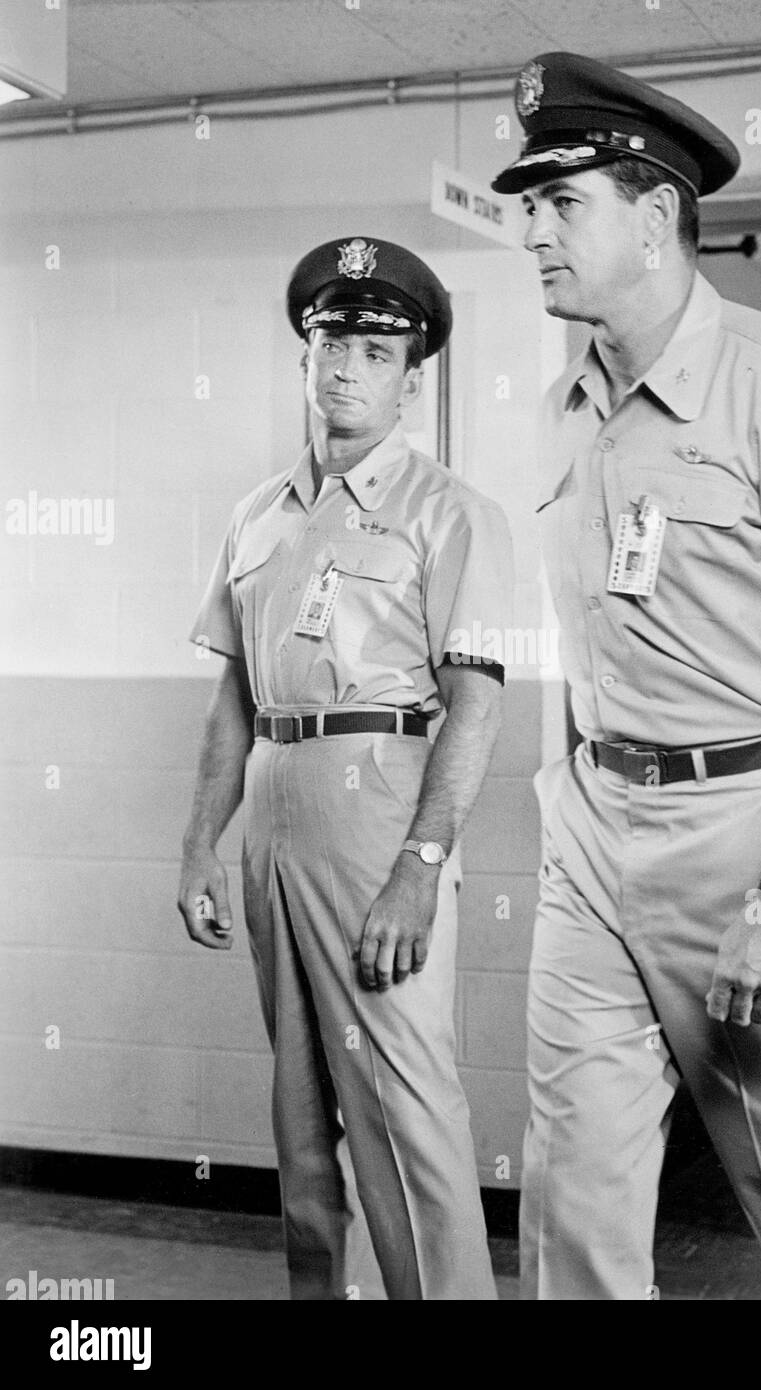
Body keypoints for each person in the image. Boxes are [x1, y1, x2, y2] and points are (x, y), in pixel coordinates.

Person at [492, 51, 761, 1300]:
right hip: (589, 834)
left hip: (748, 837)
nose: (533, 233)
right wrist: (567, 793)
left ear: (657, 214)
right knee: (570, 1204)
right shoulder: (561, 405)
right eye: (526, 206)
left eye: (560, 203)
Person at [177, 237, 512, 1300]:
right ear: (304, 358)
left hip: (381, 810)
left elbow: (476, 703)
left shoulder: (453, 513)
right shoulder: (257, 514)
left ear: (413, 381)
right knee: (302, 1109)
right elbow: (236, 695)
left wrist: (422, 861)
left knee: (404, 1110)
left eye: (375, 350)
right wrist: (199, 843)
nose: (345, 369)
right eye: (329, 343)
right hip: (276, 798)